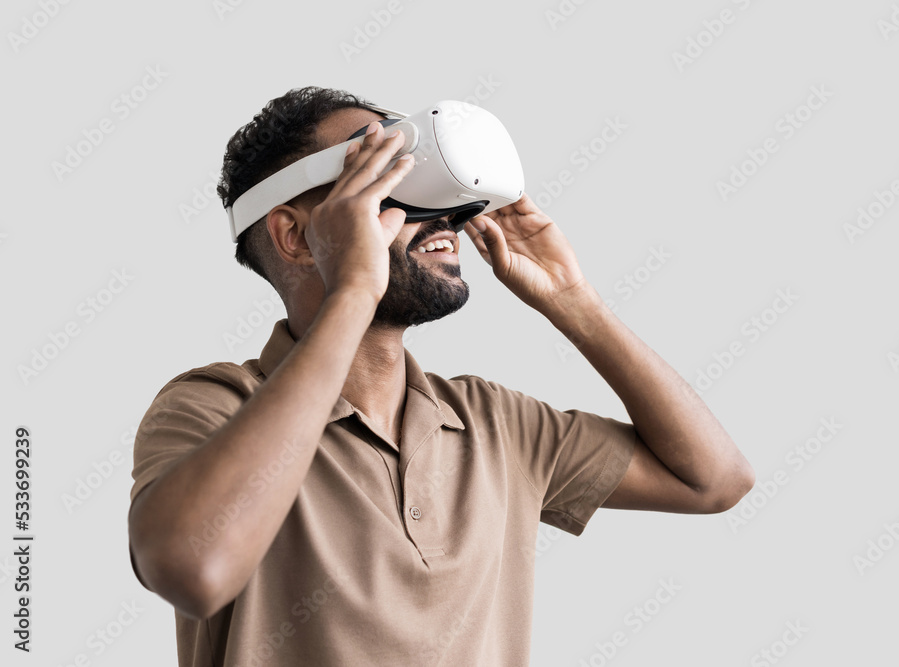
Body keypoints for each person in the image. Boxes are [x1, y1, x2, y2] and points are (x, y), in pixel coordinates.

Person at [127, 87, 755, 666]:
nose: (444, 214)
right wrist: (354, 289)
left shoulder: (493, 423)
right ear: (293, 236)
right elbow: (192, 569)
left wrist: (574, 301)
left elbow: (715, 480)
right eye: (382, 176)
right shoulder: (212, 406)